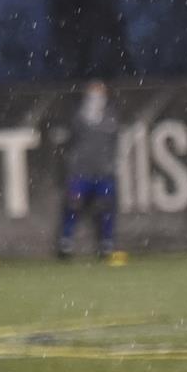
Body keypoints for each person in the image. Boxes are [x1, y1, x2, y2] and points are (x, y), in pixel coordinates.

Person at [58, 81, 119, 260]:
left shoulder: (110, 117)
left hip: (104, 172)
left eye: (99, 94)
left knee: (106, 205)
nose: (96, 99)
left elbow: (114, 143)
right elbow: (70, 139)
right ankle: (66, 241)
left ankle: (106, 243)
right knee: (73, 204)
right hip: (80, 171)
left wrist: (110, 164)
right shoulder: (79, 116)